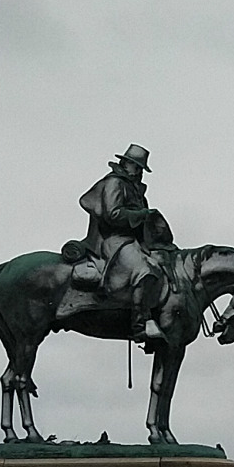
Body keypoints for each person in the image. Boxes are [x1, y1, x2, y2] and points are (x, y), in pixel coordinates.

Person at [73, 144, 176, 344]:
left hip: (134, 241)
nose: (137, 171)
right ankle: (140, 326)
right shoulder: (114, 183)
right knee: (144, 271)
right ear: (126, 163)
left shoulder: (135, 188)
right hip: (113, 239)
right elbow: (113, 214)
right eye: (135, 166)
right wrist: (142, 214)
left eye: (140, 168)